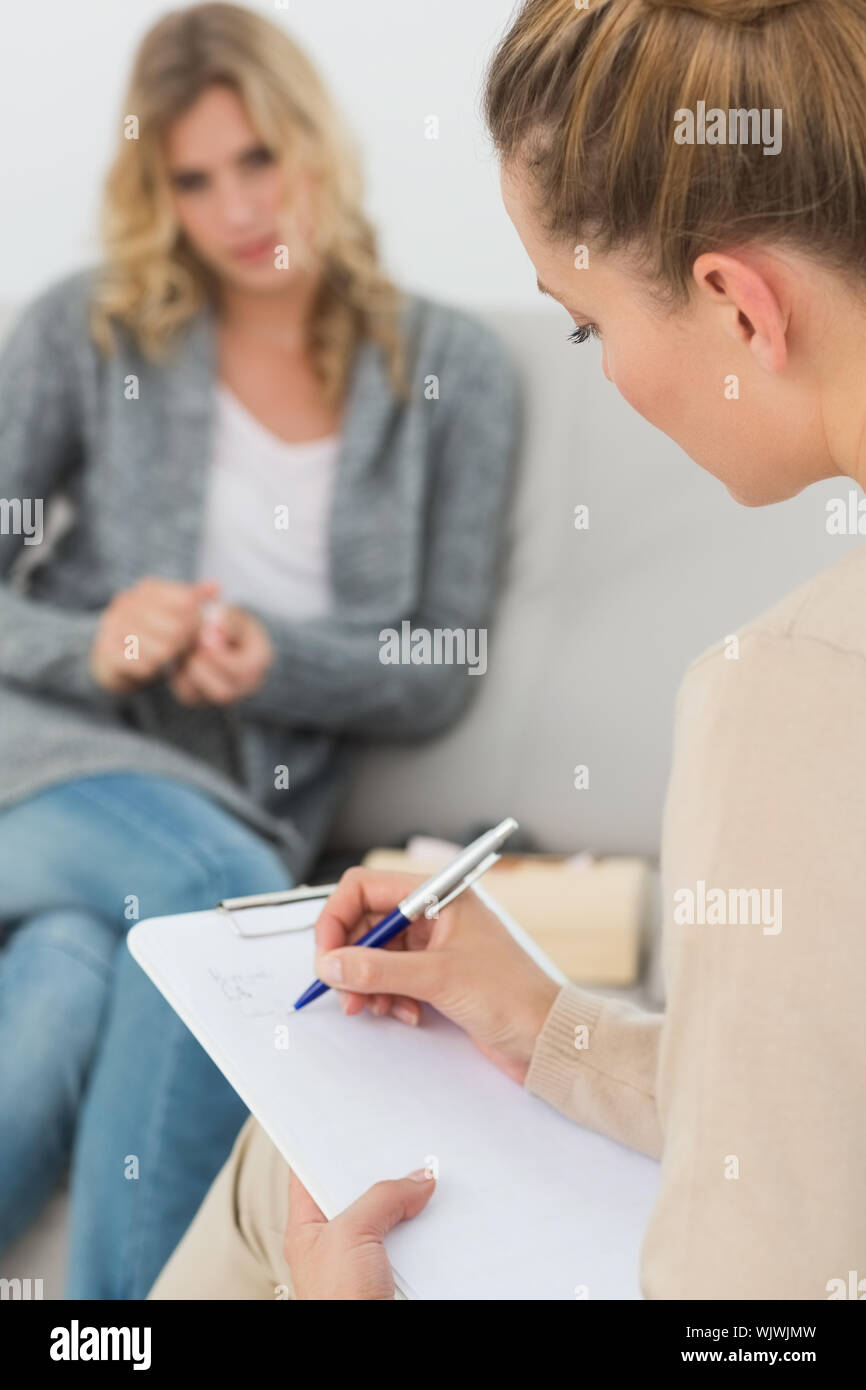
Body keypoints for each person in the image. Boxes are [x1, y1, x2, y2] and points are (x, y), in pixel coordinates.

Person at [149, 0, 866, 1301]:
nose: (600, 373)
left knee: (302, 1182)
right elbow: (812, 1119)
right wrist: (550, 1025)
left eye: (586, 324)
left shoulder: (797, 694)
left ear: (736, 305)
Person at [0, 2, 517, 1299]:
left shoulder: (451, 369)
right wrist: (100, 641)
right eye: (193, 177)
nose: (236, 205)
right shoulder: (85, 331)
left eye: (259, 157)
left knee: (70, 979)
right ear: (154, 191)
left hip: (233, 808)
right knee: (217, 897)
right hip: (45, 762)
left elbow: (437, 659)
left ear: (317, 146)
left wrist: (273, 660)